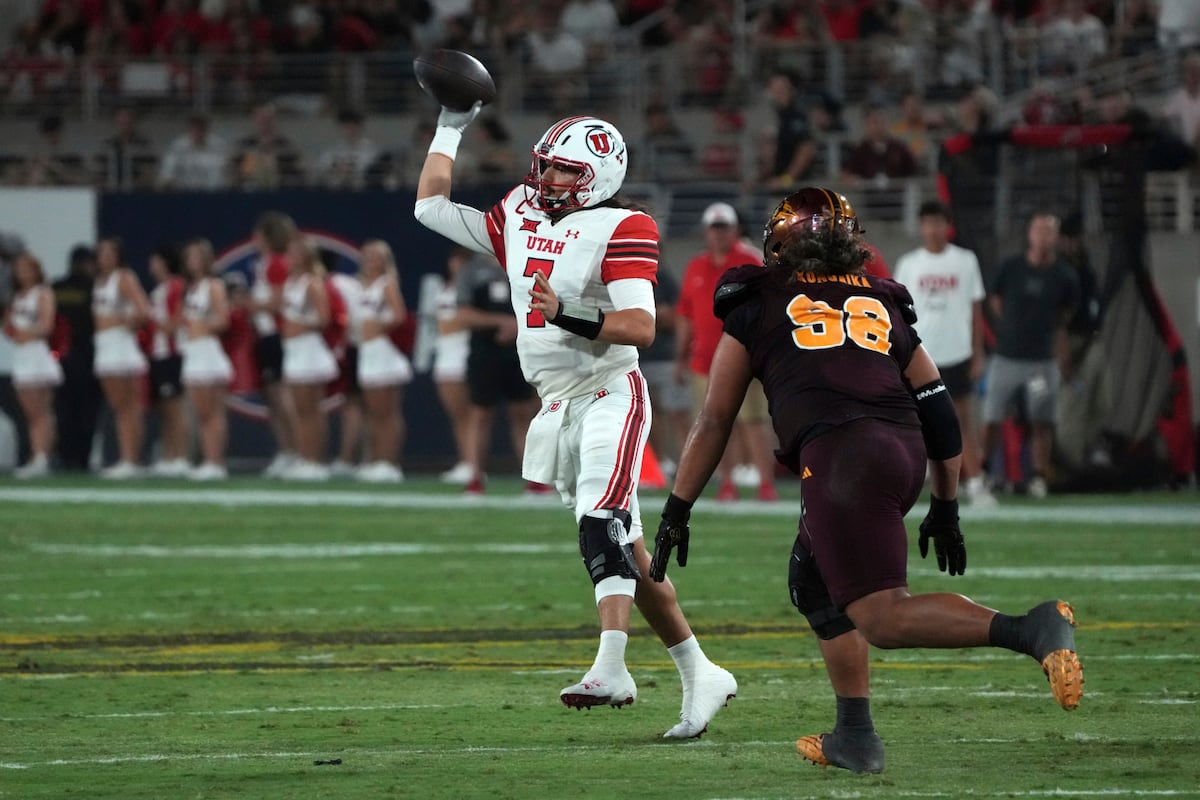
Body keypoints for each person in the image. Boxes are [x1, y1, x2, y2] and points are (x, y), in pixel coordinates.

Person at [649, 187, 1083, 773]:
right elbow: (936, 405)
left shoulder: (757, 297)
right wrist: (946, 503)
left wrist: (676, 509)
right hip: (900, 452)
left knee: (882, 616)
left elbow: (715, 419)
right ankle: (854, 734)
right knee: (814, 581)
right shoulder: (878, 297)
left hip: (842, 461)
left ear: (782, 242)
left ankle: (1029, 629)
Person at [415, 105, 737, 738]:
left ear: (598, 176)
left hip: (610, 389)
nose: (545, 181)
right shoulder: (521, 212)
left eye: (562, 171)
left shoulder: (625, 226)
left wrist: (566, 312)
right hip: (557, 402)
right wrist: (451, 124)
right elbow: (430, 206)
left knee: (601, 523)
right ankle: (702, 672)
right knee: (634, 562)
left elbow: (641, 327)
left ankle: (612, 666)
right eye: (544, 166)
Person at [893, 200, 994, 506]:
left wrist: (977, 354)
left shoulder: (965, 261)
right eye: (928, 223)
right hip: (920, 354)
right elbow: (897, 313)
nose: (933, 229)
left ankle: (975, 483)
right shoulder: (909, 264)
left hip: (956, 353)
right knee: (913, 419)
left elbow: (976, 310)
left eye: (939, 222)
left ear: (947, 225)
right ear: (921, 227)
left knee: (961, 421)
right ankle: (916, 479)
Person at [675, 202, 778, 502]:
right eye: (714, 228)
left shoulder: (750, 261)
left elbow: (769, 307)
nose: (719, 235)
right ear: (707, 232)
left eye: (724, 228)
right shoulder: (696, 265)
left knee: (753, 422)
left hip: (744, 357)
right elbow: (686, 314)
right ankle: (727, 483)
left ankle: (765, 484)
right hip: (704, 359)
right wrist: (681, 357)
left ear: (735, 230)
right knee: (714, 424)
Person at [982, 212, 1079, 498]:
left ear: (1057, 237)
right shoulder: (1011, 267)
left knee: (1041, 419)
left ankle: (1038, 475)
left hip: (1041, 364)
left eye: (1049, 231)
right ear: (1029, 234)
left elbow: (1065, 315)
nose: (1043, 236)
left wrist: (1061, 354)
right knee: (992, 417)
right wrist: (1012, 329)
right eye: (1038, 229)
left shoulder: (1064, 275)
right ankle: (985, 471)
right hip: (1006, 359)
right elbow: (996, 300)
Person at [452, 249, 538, 495]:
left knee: (523, 412)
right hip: (484, 351)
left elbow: (543, 305)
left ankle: (534, 478)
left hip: (520, 350)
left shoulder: (524, 262)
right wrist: (501, 322)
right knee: (480, 414)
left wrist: (519, 326)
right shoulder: (471, 270)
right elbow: (463, 313)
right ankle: (475, 476)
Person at [278, 234, 338, 480]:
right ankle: (304, 457)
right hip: (294, 351)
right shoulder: (290, 282)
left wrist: (300, 326)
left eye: (293, 253)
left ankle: (315, 461)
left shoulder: (312, 283)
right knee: (298, 411)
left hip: (309, 350)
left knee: (311, 410)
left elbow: (325, 318)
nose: (288, 258)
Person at [92, 236, 151, 478]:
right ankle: (127, 457)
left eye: (109, 253)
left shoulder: (124, 278)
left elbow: (143, 310)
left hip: (120, 346)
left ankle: (131, 458)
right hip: (104, 346)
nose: (104, 257)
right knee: (119, 407)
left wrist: (119, 321)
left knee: (128, 406)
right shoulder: (99, 281)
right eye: (101, 253)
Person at [353, 239, 411, 483]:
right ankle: (377, 460)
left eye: (375, 257)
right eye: (367, 256)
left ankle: (389, 462)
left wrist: (377, 326)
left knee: (388, 413)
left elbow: (400, 316)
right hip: (368, 353)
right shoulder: (363, 286)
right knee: (374, 414)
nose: (370, 261)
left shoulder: (387, 284)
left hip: (383, 352)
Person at [246, 211, 298, 477]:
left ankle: (300, 453)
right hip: (264, 335)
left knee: (284, 397)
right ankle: (286, 451)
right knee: (273, 400)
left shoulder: (277, 263)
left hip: (277, 335)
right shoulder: (263, 264)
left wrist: (249, 304)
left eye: (257, 234)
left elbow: (280, 303)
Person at [3, 251, 62, 477]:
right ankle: (36, 454)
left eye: (27, 268)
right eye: (19, 269)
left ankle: (42, 456)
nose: (22, 273)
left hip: (37, 356)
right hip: (21, 357)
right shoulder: (17, 297)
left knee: (41, 411)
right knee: (29, 413)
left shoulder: (43, 293)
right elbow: (10, 329)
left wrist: (25, 334)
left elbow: (46, 326)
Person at [179, 237, 234, 481]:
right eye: (189, 257)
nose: (192, 261)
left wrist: (201, 326)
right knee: (201, 413)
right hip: (193, 353)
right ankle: (207, 459)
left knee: (213, 412)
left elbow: (223, 320)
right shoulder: (190, 288)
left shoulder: (213, 286)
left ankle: (216, 461)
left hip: (208, 352)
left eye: (196, 256)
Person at [52, 244, 102, 471]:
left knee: (63, 410)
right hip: (86, 356)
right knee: (86, 411)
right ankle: (82, 457)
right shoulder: (94, 288)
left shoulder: (56, 288)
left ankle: (65, 456)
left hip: (59, 357)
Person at [145, 242, 190, 478]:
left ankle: (181, 456)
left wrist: (150, 316)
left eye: (155, 260)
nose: (151, 265)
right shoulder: (159, 290)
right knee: (164, 409)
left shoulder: (176, 287)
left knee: (175, 408)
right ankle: (170, 455)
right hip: (158, 353)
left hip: (173, 352)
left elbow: (176, 323)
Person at [432, 247, 473, 484]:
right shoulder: (443, 287)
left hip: (461, 353)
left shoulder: (469, 290)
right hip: (445, 354)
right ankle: (465, 461)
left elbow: (461, 322)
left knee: (466, 413)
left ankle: (472, 463)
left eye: (462, 261)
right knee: (456, 415)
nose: (457, 265)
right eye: (454, 260)